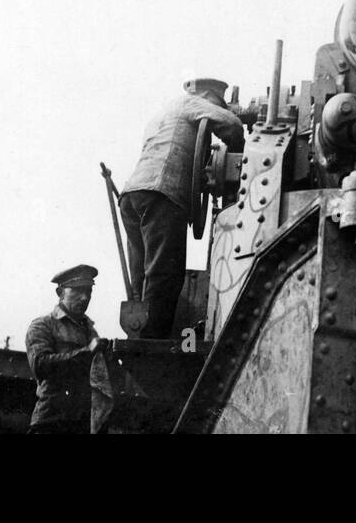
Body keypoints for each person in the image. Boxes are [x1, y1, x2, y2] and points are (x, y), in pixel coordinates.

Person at [119, 77, 245, 338]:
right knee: (165, 274)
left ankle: (138, 336)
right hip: (162, 195)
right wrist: (239, 155)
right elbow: (231, 125)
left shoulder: (162, 115)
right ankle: (154, 342)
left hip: (133, 196)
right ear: (208, 97)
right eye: (217, 104)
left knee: (141, 275)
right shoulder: (190, 103)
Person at [25, 264, 105, 433]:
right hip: (51, 422)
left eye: (88, 292)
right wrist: (87, 352)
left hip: (82, 424)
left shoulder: (90, 331)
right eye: (77, 290)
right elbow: (40, 365)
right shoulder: (42, 325)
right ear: (60, 293)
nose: (84, 297)